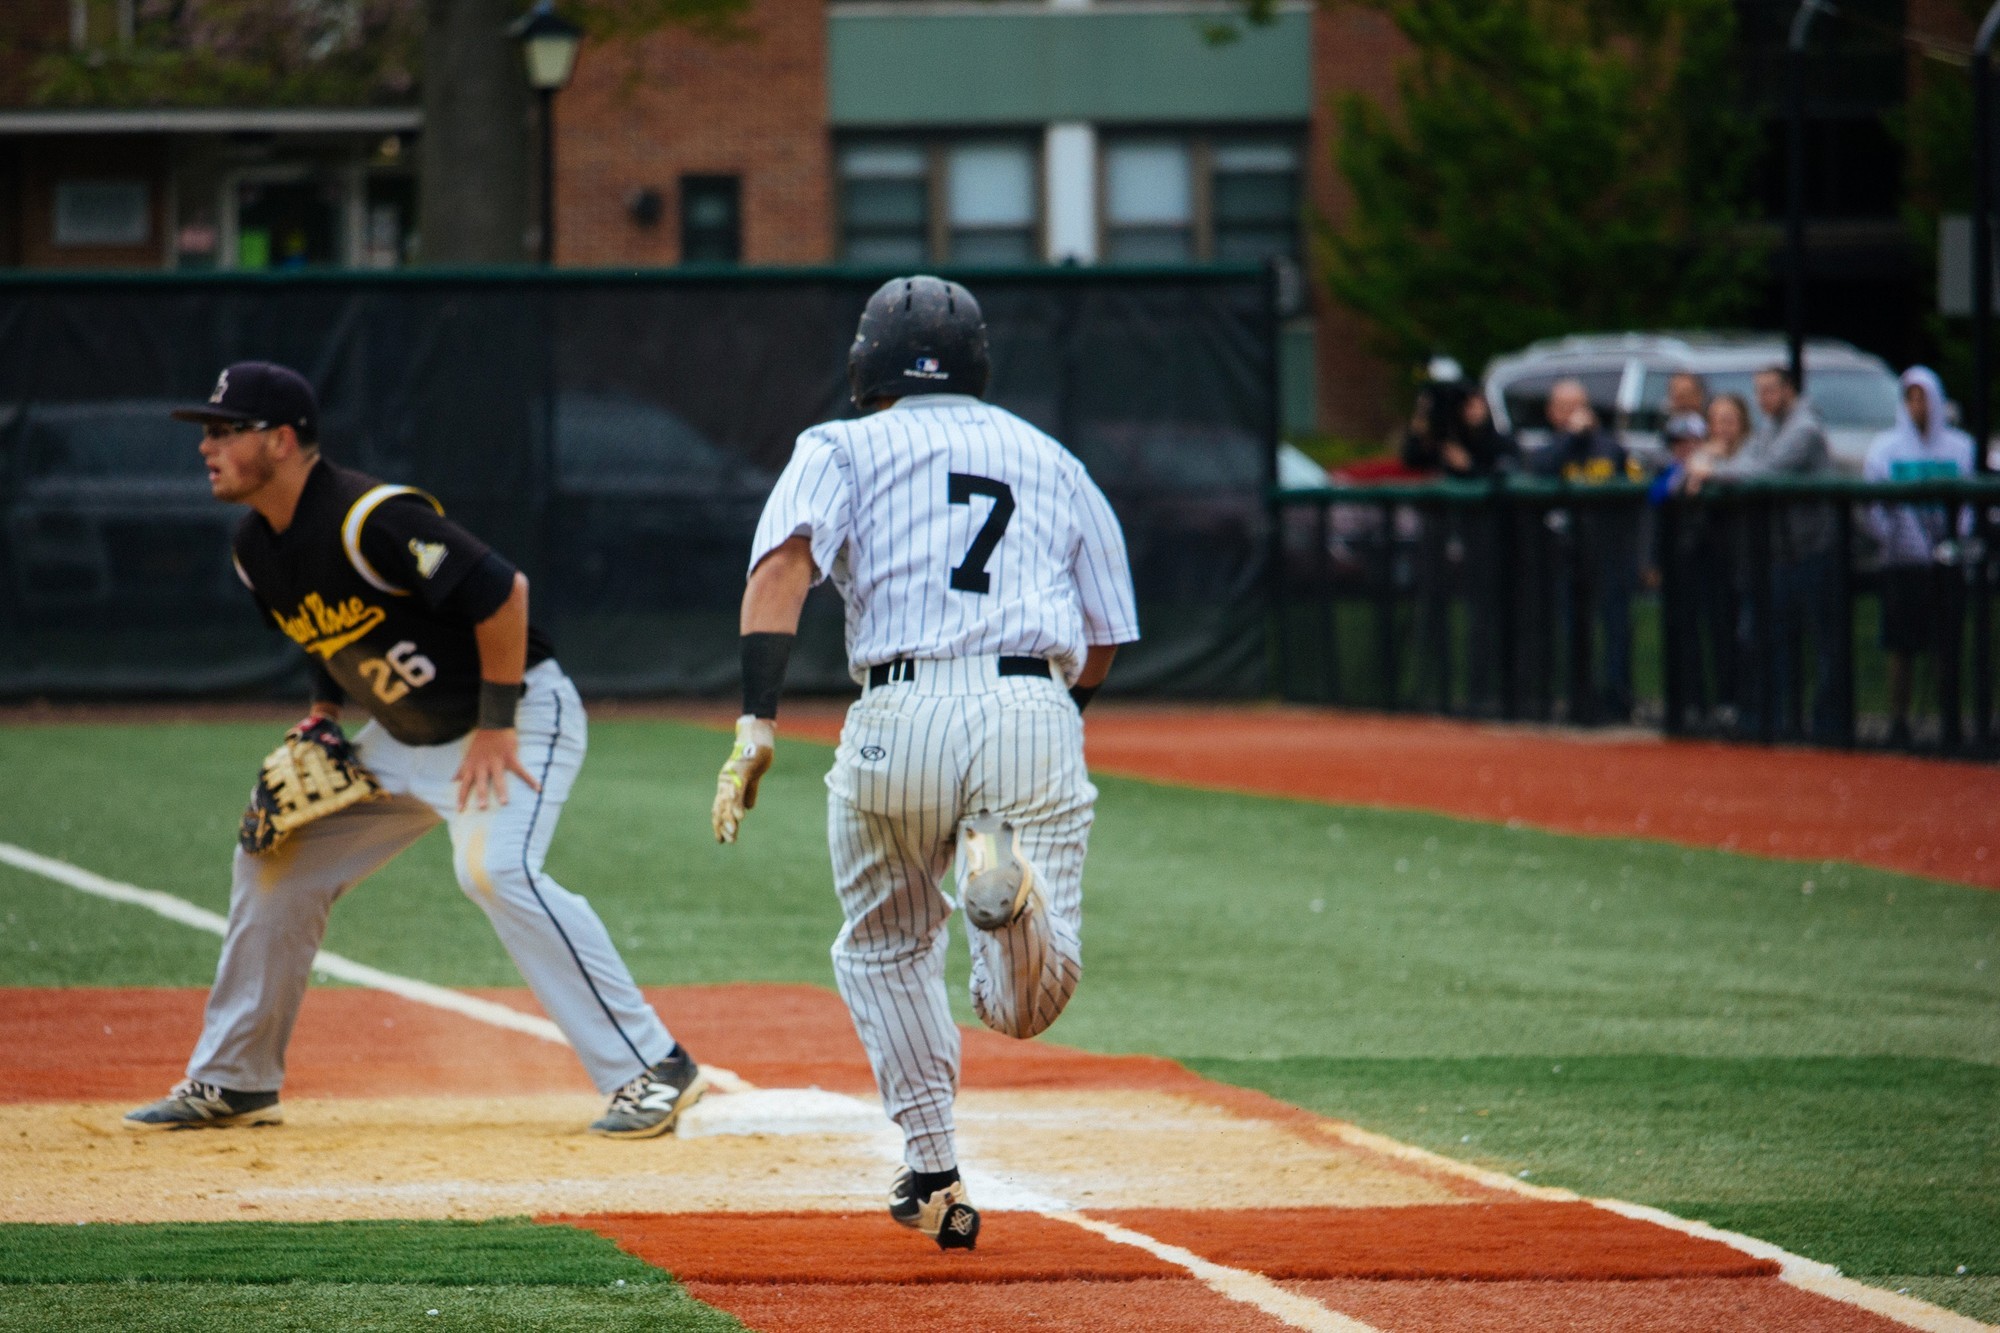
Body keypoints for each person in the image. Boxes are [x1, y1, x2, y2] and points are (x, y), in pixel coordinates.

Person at [125, 362, 704, 1138]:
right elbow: (323, 631)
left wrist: (495, 723)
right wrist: (323, 715)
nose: (207, 446)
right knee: (274, 859)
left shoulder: (371, 518)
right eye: (208, 431)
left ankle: (653, 1065)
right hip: (403, 738)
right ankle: (236, 1078)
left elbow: (504, 592)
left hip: (516, 717)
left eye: (226, 430)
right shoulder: (255, 547)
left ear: (283, 440)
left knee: (495, 870)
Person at [710, 276, 1138, 1251]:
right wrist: (1048, 722)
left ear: (866, 364)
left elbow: (781, 566)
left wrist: (756, 722)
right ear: (978, 364)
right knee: (1020, 1005)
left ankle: (935, 1170)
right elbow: (1107, 630)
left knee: (885, 947)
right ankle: (1006, 889)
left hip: (894, 713)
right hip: (1029, 699)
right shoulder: (1053, 458)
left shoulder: (838, 445)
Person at [1695, 365, 1840, 740]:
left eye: (1770, 390)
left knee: (1824, 644)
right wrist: (1716, 462)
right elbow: (1747, 463)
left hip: (1815, 547)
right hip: (1782, 552)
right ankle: (1779, 720)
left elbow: (1765, 470)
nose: (1763, 399)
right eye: (1758, 391)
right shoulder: (1770, 428)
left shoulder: (1804, 428)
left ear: (1789, 389)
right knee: (1769, 638)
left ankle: (1828, 727)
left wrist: (1713, 468)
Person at [1863, 366, 1976, 747]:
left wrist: (1956, 544)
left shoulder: (1960, 447)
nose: (1917, 407)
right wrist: (1894, 542)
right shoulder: (1886, 448)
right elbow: (1874, 508)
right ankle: (1899, 721)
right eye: (1910, 398)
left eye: (1923, 398)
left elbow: (1971, 507)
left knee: (1948, 644)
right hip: (1903, 563)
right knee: (1902, 645)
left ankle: (1950, 722)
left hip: (1947, 563)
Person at [1532, 378, 1644, 721]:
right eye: (1564, 408)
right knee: (1573, 632)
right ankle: (1580, 701)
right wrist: (1570, 438)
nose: (1573, 414)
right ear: (1552, 413)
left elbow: (1638, 490)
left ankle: (1618, 701)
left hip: (1610, 555)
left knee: (1616, 629)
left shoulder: (1611, 447)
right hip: (1566, 557)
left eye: (1578, 406)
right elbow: (1539, 469)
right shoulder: (1548, 450)